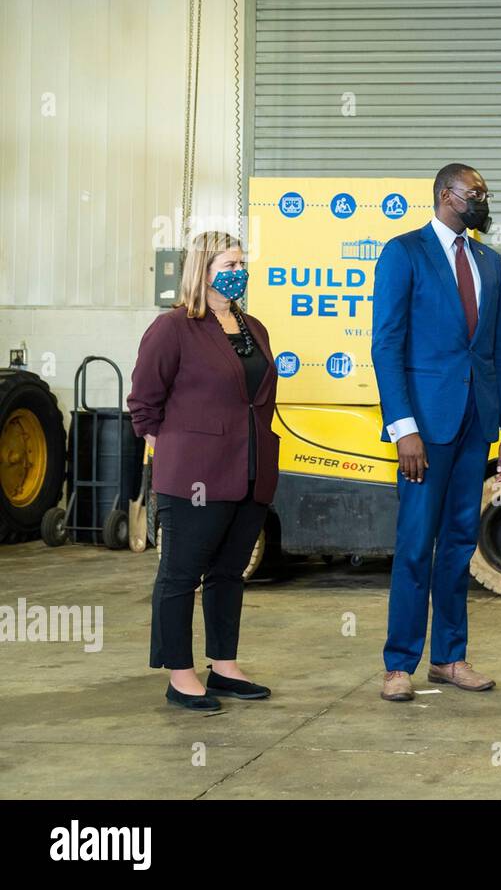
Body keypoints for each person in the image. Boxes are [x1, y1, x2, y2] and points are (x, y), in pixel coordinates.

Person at [371, 163, 501, 702]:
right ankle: (398, 664)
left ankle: (449, 659)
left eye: (484, 191)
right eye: (475, 192)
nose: (482, 200)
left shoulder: (490, 261)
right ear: (445, 195)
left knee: (459, 545)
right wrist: (402, 427)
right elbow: (386, 345)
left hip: (475, 424)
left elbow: (500, 350)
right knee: (415, 546)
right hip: (424, 429)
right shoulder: (403, 252)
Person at [127, 230, 278, 711]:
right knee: (180, 575)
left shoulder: (253, 327)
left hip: (251, 471)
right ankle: (180, 673)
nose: (238, 272)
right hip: (195, 476)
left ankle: (224, 666)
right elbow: (143, 404)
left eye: (241, 263)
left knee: (229, 572)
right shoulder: (174, 328)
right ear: (203, 270)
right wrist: (173, 449)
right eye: (229, 264)